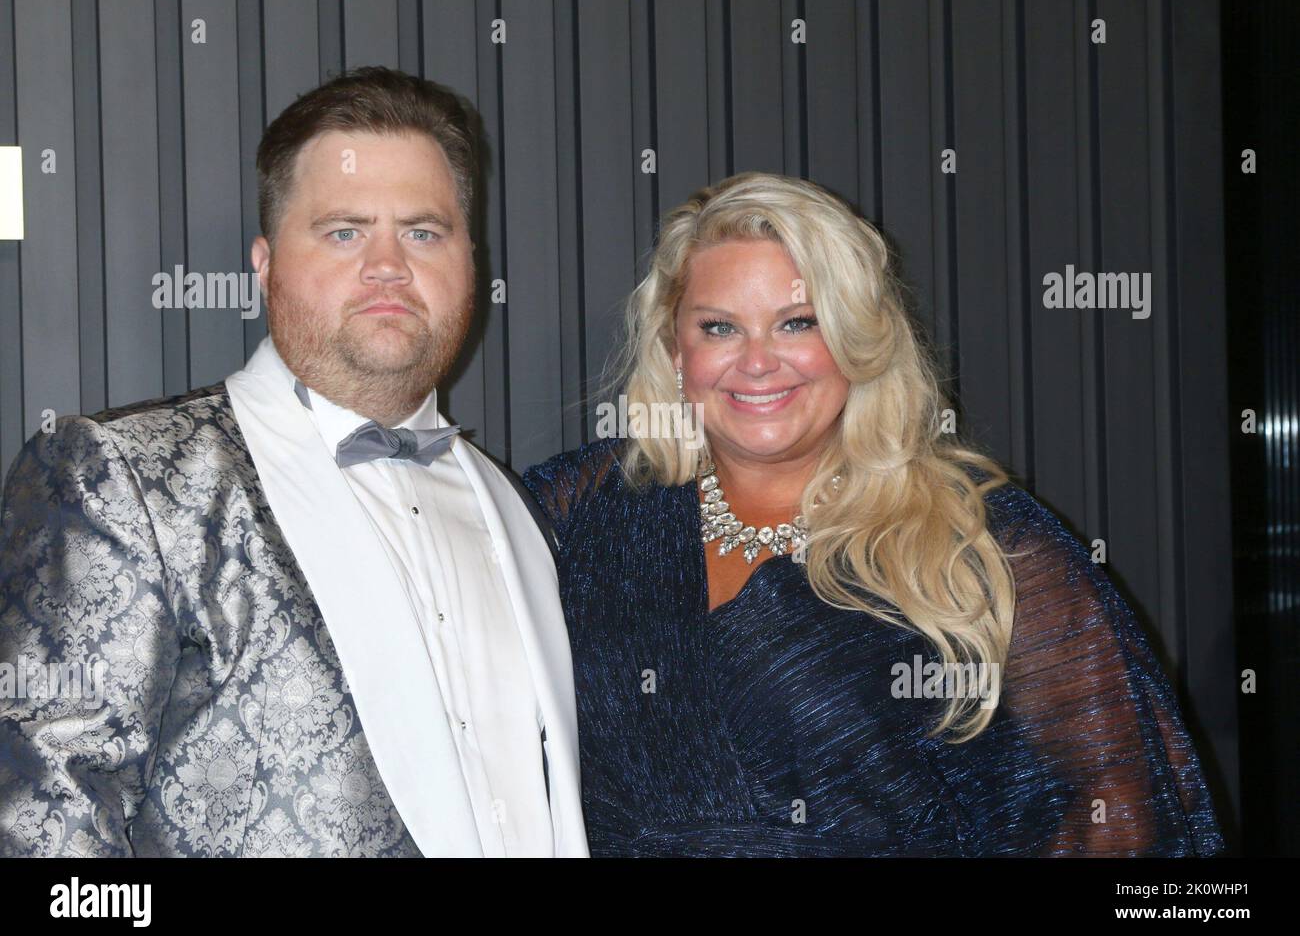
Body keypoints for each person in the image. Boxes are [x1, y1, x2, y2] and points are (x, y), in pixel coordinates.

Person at [523, 171, 1224, 857]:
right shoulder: (592, 504)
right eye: (720, 328)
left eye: (798, 322)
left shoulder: (973, 536)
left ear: (858, 340)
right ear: (678, 351)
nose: (758, 362)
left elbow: (1121, 803)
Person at [0, 66, 587, 857]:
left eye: (423, 232)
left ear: (470, 264)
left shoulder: (516, 507)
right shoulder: (123, 480)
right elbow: (47, 837)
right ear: (266, 263)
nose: (388, 265)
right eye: (345, 231)